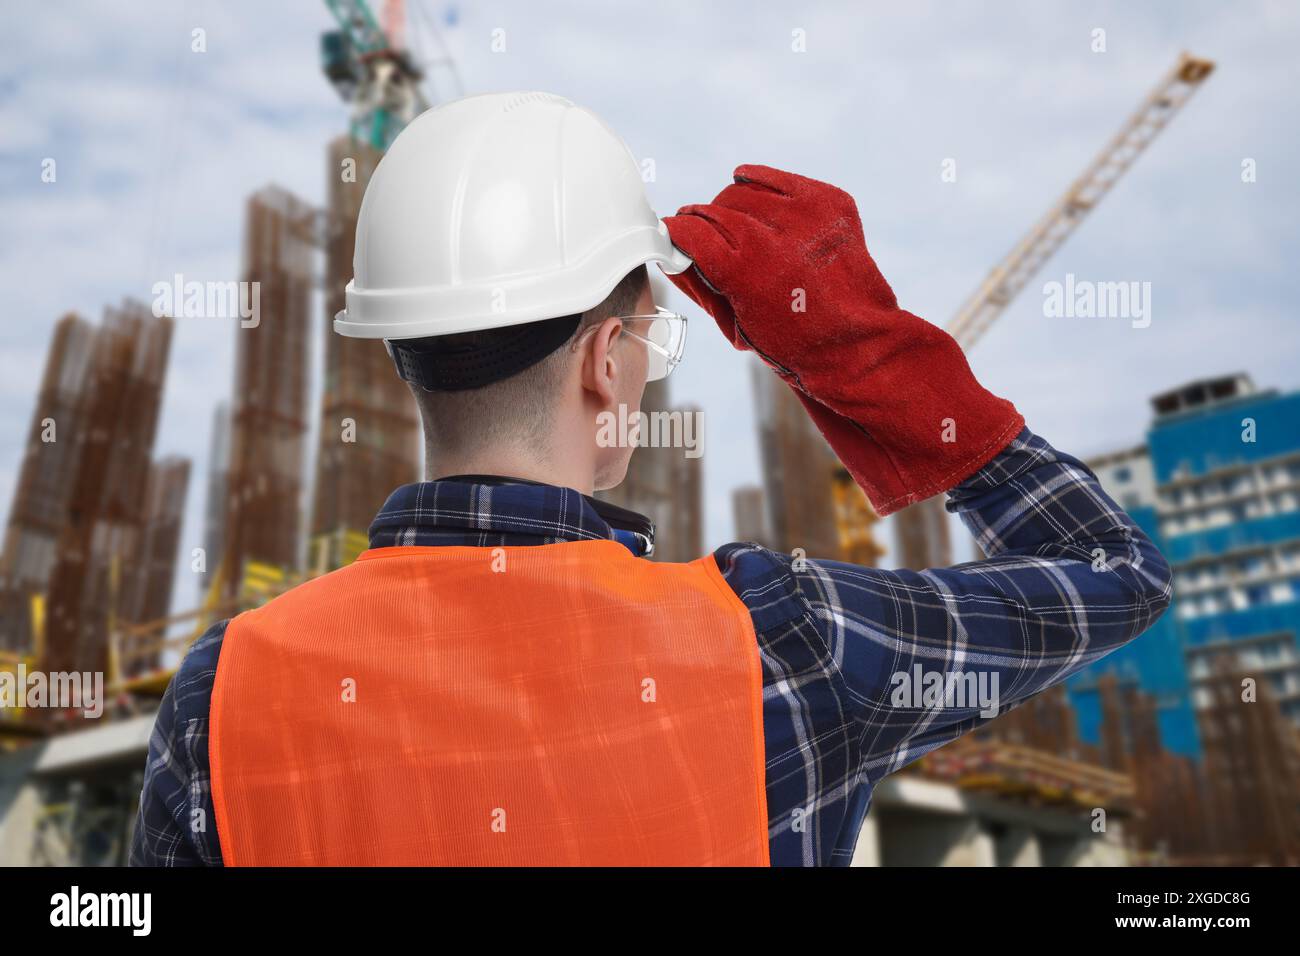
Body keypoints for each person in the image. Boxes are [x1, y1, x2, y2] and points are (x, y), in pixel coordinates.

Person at [132, 92, 1171, 867]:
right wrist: (861, 356)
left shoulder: (226, 687)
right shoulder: (781, 638)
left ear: (404, 355)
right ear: (608, 361)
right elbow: (1109, 569)